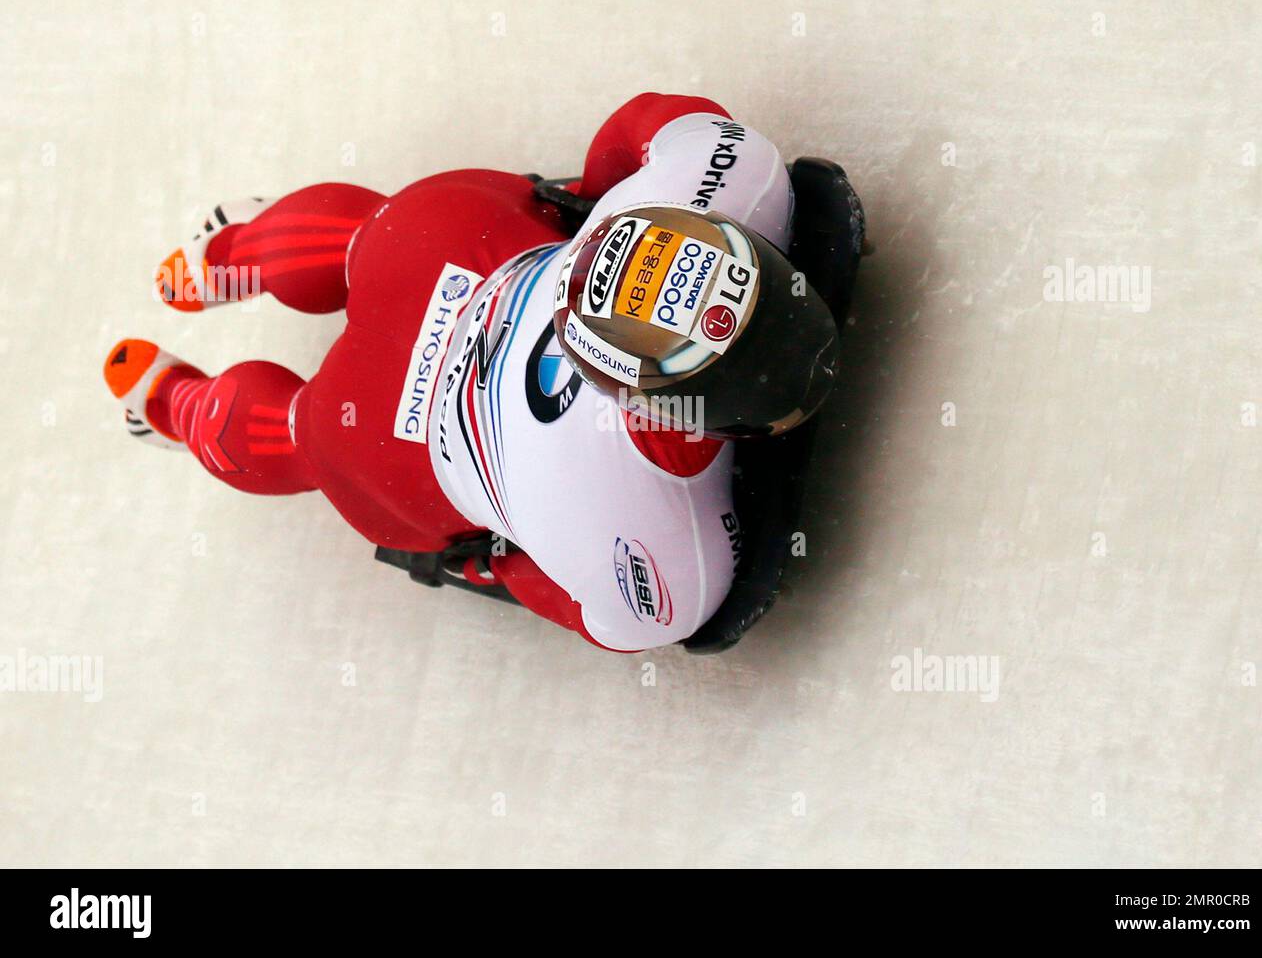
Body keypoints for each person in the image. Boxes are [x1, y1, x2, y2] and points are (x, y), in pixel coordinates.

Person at [103, 93, 814, 652]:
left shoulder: (741, 173)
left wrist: (588, 199)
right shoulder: (669, 561)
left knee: (383, 236)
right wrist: (490, 561)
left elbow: (638, 126)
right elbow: (600, 616)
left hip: (460, 250)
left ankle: (235, 254)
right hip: (408, 437)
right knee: (311, 436)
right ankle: (184, 403)